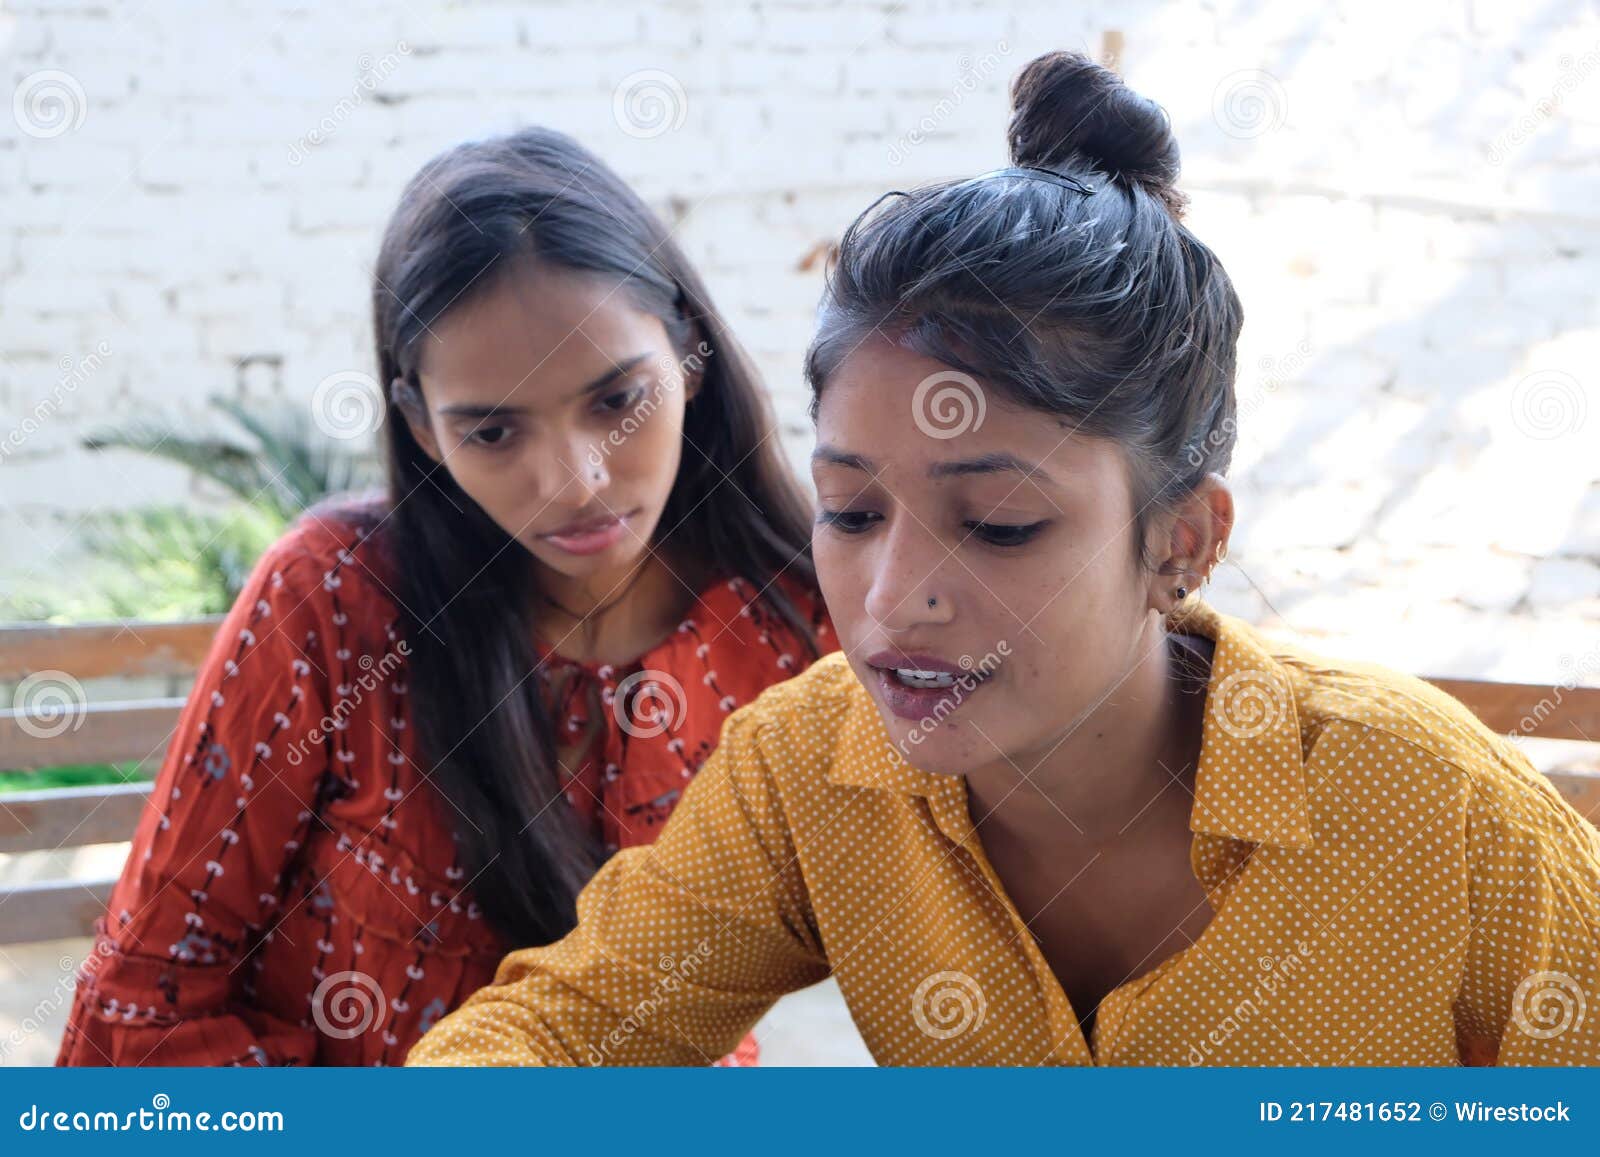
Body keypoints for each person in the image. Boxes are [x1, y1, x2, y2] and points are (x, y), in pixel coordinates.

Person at [405, 52, 1600, 1067]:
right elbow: (564, 1030)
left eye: (1000, 525)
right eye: (852, 512)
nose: (889, 599)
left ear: (1178, 541)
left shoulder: (1428, 807)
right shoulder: (804, 773)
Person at [57, 126, 835, 1067]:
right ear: (422, 428)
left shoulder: (802, 626)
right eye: (496, 431)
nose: (575, 479)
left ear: (690, 358)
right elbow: (141, 1010)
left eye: (615, 400)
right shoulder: (334, 602)